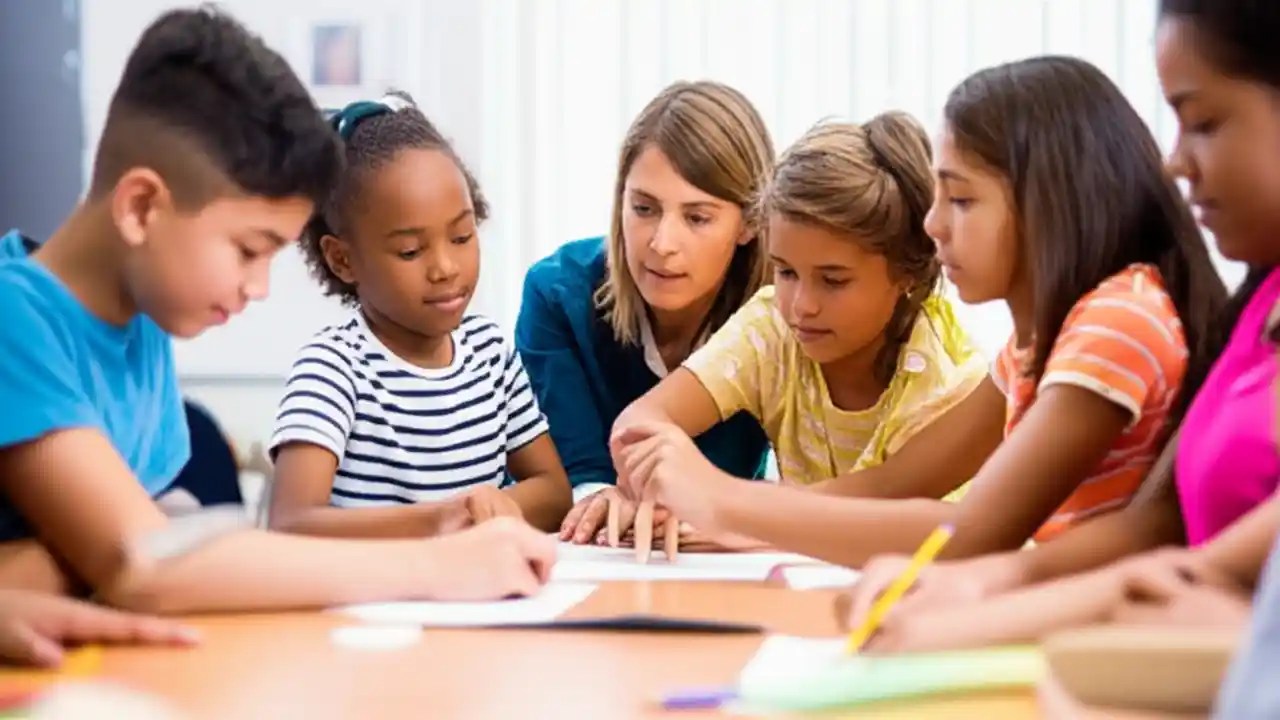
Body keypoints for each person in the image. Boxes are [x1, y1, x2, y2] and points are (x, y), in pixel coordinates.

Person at [0, 7, 553, 614]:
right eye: (247, 250)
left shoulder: (139, 325)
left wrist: (99, 557)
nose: (259, 287)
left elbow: (156, 539)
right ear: (140, 209)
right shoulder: (14, 319)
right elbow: (144, 566)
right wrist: (440, 563)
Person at [615, 57, 1225, 569]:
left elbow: (972, 532)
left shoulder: (1117, 321)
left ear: (1046, 204)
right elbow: (891, 484)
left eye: (960, 199)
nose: (934, 227)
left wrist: (725, 502)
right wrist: (741, 514)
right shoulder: (1038, 345)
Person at [841, 0, 1280, 653]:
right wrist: (994, 583)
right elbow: (1161, 526)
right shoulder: (1260, 302)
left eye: (1206, 123)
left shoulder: (1123, 315)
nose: (1175, 162)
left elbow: (1196, 571)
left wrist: (985, 600)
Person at [610, 114, 985, 557]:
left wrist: (734, 513)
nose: (800, 305)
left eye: (833, 280)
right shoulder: (773, 328)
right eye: (786, 271)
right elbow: (636, 426)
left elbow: (883, 503)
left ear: (906, 271)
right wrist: (662, 485)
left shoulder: (941, 372)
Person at [267, 93, 571, 537]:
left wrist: (489, 506)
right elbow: (291, 524)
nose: (445, 268)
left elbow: (554, 493)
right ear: (342, 260)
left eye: (463, 236)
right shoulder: (334, 368)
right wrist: (445, 517)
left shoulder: (490, 354)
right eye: (411, 251)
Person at [516, 81, 774, 545]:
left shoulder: (783, 311)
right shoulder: (556, 294)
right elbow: (576, 476)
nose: (661, 244)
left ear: (751, 223)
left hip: (722, 559)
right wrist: (600, 498)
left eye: (697, 217)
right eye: (643, 208)